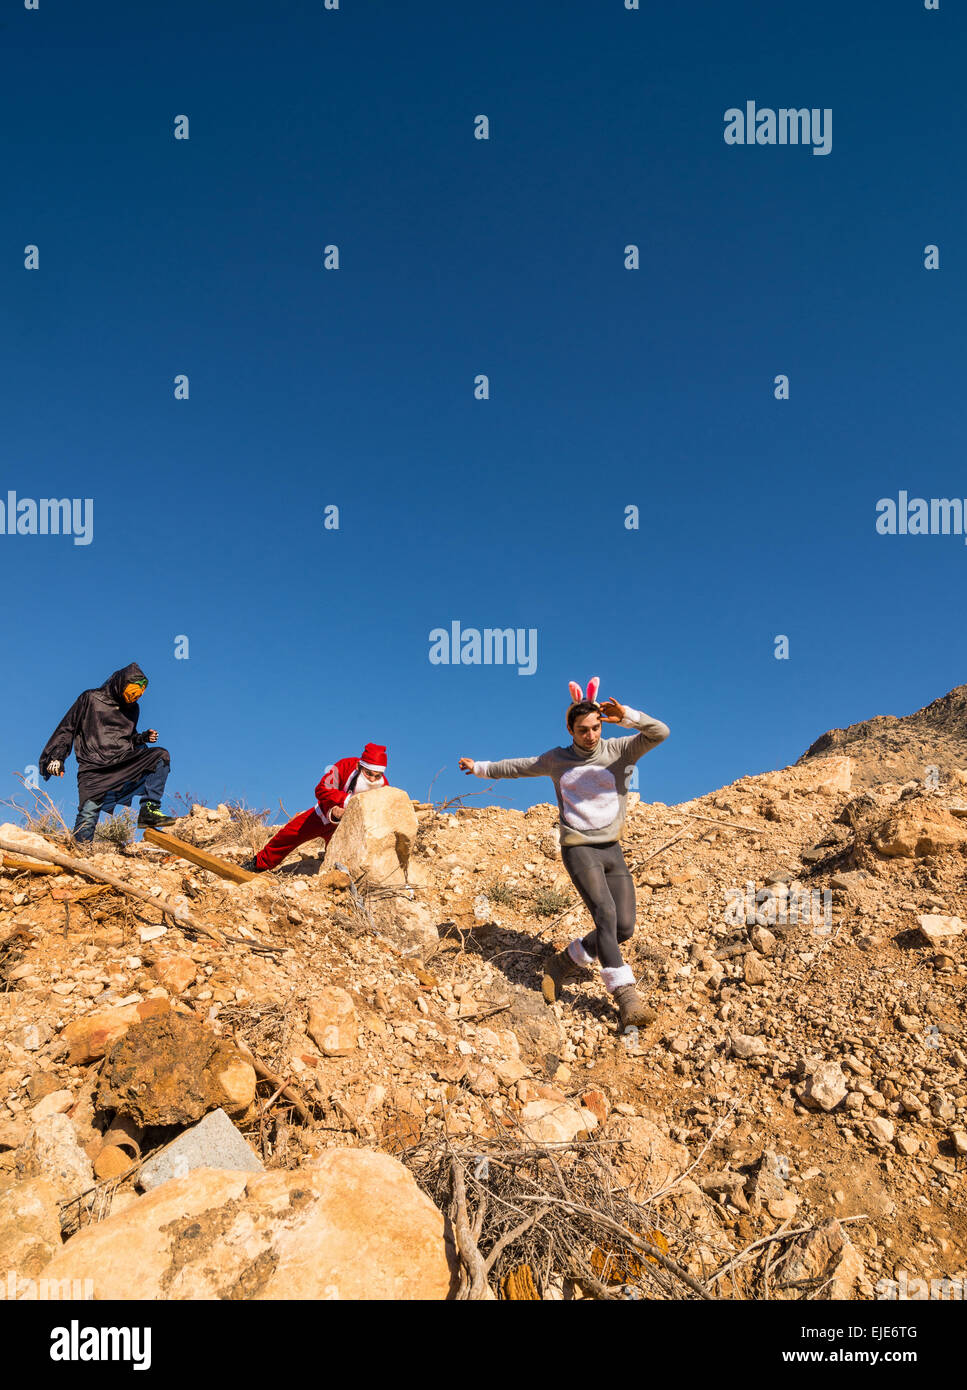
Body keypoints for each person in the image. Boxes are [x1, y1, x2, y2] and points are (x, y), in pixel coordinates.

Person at [458, 678, 669, 1030]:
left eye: (596, 727)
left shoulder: (620, 750)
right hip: (578, 848)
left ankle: (563, 963)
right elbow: (517, 767)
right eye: (583, 729)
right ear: (570, 729)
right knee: (605, 913)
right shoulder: (557, 760)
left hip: (612, 849)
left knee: (624, 927)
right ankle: (626, 997)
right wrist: (479, 767)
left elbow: (660, 732)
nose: (591, 735)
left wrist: (627, 716)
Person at [39, 662, 176, 844]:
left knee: (160, 756)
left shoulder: (133, 709)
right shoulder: (90, 698)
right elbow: (68, 728)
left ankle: (149, 810)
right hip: (93, 766)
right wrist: (57, 757)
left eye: (139, 694)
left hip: (121, 761)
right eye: (133, 691)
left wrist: (142, 738)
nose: (135, 697)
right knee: (89, 811)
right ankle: (80, 852)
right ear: (121, 683)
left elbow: (126, 738)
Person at [245, 743, 389, 873]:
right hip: (321, 816)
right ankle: (258, 865)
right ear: (359, 766)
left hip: (348, 829)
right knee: (288, 835)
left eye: (377, 776)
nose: (372, 779)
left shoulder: (384, 787)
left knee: (341, 860)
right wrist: (343, 804)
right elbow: (321, 789)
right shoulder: (344, 766)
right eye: (368, 773)